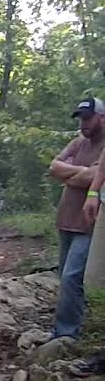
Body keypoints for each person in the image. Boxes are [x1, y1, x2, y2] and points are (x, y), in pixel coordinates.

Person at [47, 97, 105, 342]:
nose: (84, 124)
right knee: (65, 277)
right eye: (81, 118)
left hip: (88, 221)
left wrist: (71, 174)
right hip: (66, 218)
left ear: (102, 117)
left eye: (88, 118)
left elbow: (95, 175)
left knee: (73, 276)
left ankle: (67, 333)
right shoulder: (78, 142)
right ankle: (69, 326)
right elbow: (53, 167)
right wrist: (83, 174)